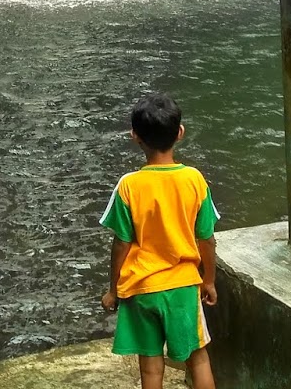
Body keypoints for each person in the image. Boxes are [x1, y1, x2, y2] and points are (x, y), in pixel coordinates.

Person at [99, 91, 219, 389]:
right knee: (198, 358)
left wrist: (113, 290)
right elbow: (206, 238)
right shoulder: (194, 180)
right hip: (181, 289)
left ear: (135, 136)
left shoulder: (129, 186)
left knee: (151, 368)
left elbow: (121, 244)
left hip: (141, 289)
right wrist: (209, 280)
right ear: (180, 133)